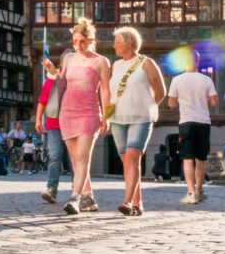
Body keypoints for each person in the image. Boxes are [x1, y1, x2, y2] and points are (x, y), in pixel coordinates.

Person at [52, 17, 110, 215]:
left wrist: (106, 116)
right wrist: (53, 73)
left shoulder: (101, 61)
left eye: (82, 41)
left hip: (89, 111)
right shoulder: (68, 58)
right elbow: (63, 80)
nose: (78, 45)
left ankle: (74, 198)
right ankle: (89, 197)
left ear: (92, 40)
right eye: (75, 41)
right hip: (67, 111)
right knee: (75, 159)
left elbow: (106, 91)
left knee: (83, 157)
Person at [109, 27, 165, 216]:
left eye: (117, 41)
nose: (114, 45)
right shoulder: (115, 66)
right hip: (117, 119)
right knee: (127, 161)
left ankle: (126, 203)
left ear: (129, 43)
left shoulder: (146, 63)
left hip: (140, 119)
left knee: (133, 158)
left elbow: (161, 91)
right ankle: (137, 202)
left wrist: (148, 107)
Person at [167, 51, 217, 205]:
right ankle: (200, 191)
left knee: (187, 158)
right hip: (203, 122)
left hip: (186, 122)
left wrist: (182, 102)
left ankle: (190, 193)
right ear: (197, 62)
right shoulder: (207, 80)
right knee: (201, 159)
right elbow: (214, 103)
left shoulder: (176, 80)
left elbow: (171, 104)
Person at [35, 56, 67, 203]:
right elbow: (43, 100)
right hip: (54, 124)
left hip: (74, 123)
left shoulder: (76, 78)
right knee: (55, 156)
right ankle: (51, 189)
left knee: (76, 160)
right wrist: (38, 119)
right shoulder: (51, 79)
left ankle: (79, 192)